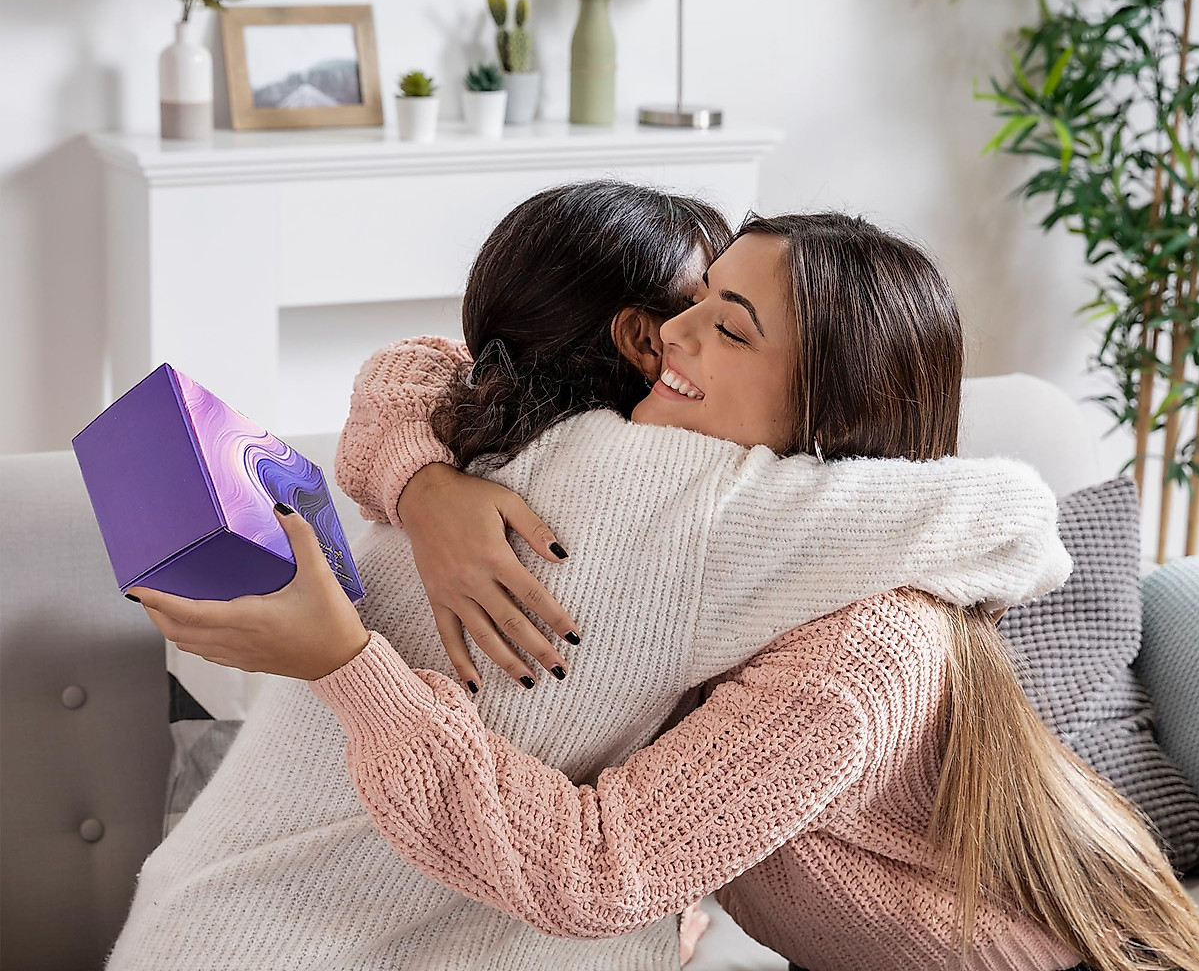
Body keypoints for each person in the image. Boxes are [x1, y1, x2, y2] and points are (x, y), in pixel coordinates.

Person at [117, 186, 1070, 971]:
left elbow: (1018, 520)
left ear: (841, 405)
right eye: (686, 303)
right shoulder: (619, 481)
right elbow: (1018, 521)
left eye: (728, 327)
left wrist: (392, 555)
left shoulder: (713, 524)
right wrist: (421, 491)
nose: (670, 336)